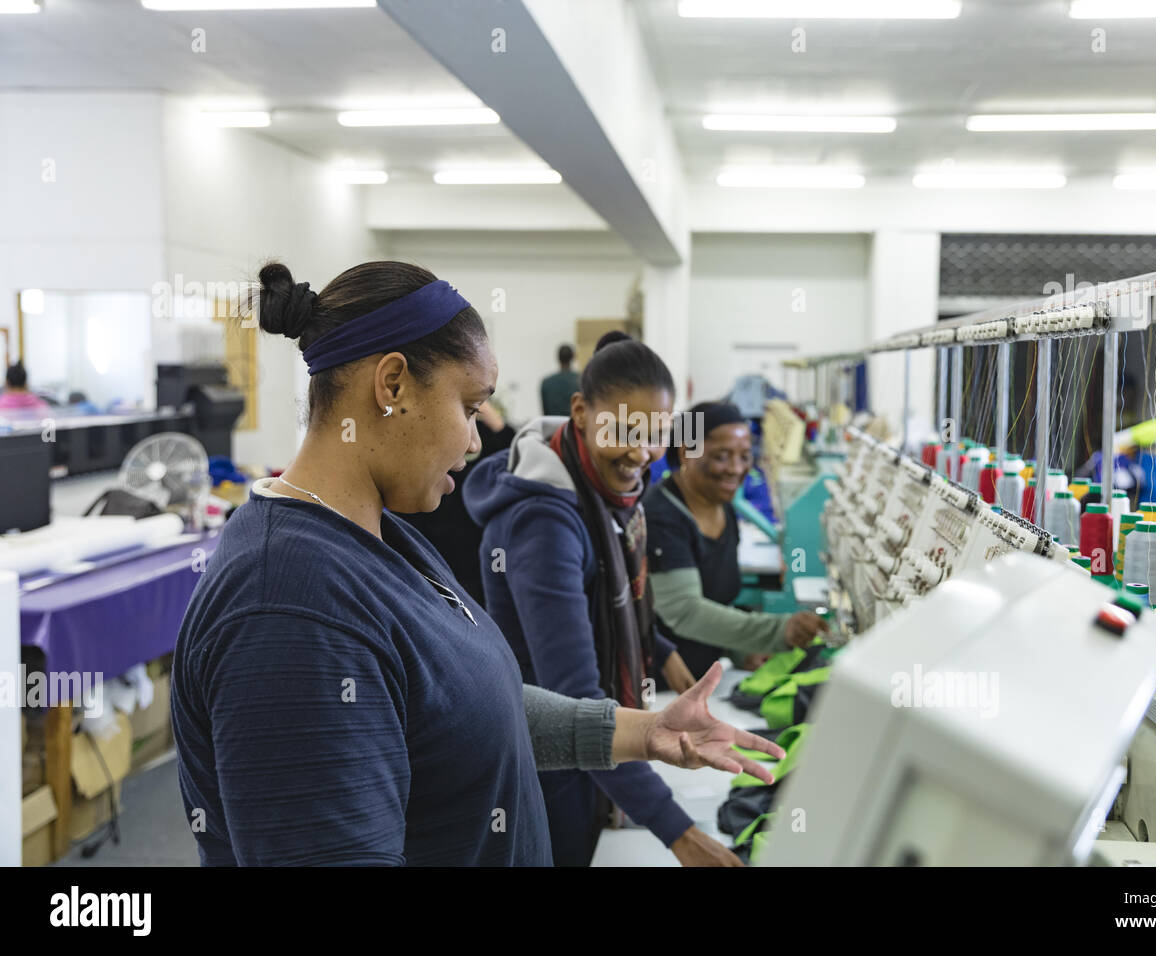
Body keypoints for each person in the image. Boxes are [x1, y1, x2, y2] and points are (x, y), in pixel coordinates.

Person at [170, 261, 783, 866]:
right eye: (469, 407)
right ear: (392, 386)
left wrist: (641, 733)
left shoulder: (384, 540)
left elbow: (467, 703)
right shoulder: (291, 608)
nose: (473, 440)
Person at [465, 333, 744, 866]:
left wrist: (657, 648)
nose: (641, 453)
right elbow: (578, 701)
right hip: (550, 766)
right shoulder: (544, 524)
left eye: (656, 434)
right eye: (624, 430)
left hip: (586, 754)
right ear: (580, 411)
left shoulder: (601, 491)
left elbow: (601, 595)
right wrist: (679, 833)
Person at [645, 401, 829, 679]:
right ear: (686, 452)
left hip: (704, 680)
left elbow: (717, 599)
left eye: (745, 456)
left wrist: (738, 651)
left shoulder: (723, 508)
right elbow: (685, 612)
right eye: (722, 456)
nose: (736, 468)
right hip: (659, 687)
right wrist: (779, 631)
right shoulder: (661, 516)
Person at [397, 399, 514, 607]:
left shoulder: (482, 429)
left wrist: (491, 418)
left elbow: (508, 455)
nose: (473, 443)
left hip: (471, 536)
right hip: (439, 539)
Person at [539, 343, 580, 417]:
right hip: (575, 427)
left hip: (554, 427)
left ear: (558, 358)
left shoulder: (546, 383)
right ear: (573, 357)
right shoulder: (581, 381)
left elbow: (545, 413)